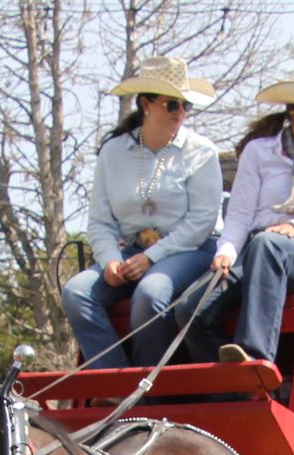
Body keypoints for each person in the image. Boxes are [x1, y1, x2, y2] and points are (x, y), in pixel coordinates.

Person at [181, 68, 294, 367]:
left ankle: (255, 357)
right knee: (191, 310)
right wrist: (226, 251)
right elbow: (240, 214)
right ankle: (235, 392)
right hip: (256, 248)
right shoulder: (258, 151)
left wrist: (293, 226)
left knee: (268, 244)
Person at [60, 56, 222, 368]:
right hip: (132, 251)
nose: (181, 113)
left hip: (192, 248)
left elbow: (202, 222)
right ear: (146, 104)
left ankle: (150, 391)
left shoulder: (200, 151)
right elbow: (100, 221)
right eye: (172, 104)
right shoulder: (114, 151)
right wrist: (109, 260)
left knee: (150, 293)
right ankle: (115, 380)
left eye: (186, 105)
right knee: (76, 292)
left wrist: (151, 258)